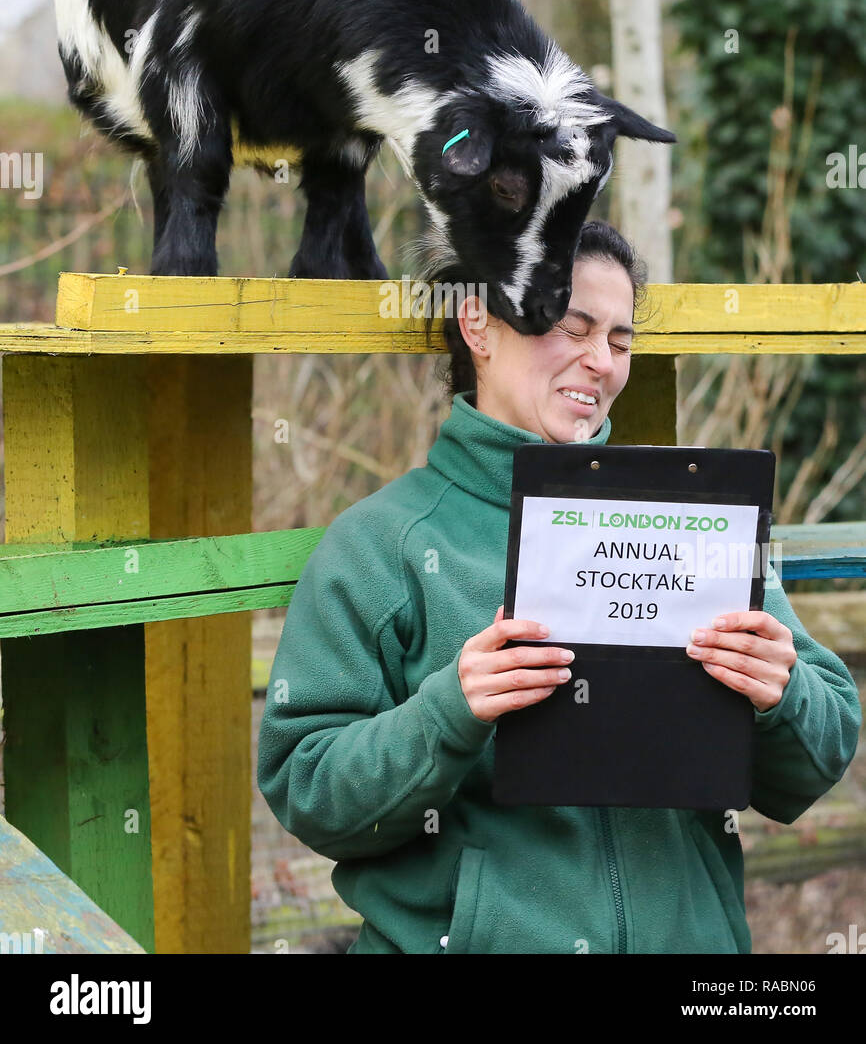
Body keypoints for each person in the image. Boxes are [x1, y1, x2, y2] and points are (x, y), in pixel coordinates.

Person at [257, 221, 861, 954]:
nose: (600, 362)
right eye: (569, 326)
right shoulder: (384, 544)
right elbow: (310, 791)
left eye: (620, 339)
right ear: (477, 321)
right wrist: (450, 711)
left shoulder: (691, 519)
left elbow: (813, 760)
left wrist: (781, 693)